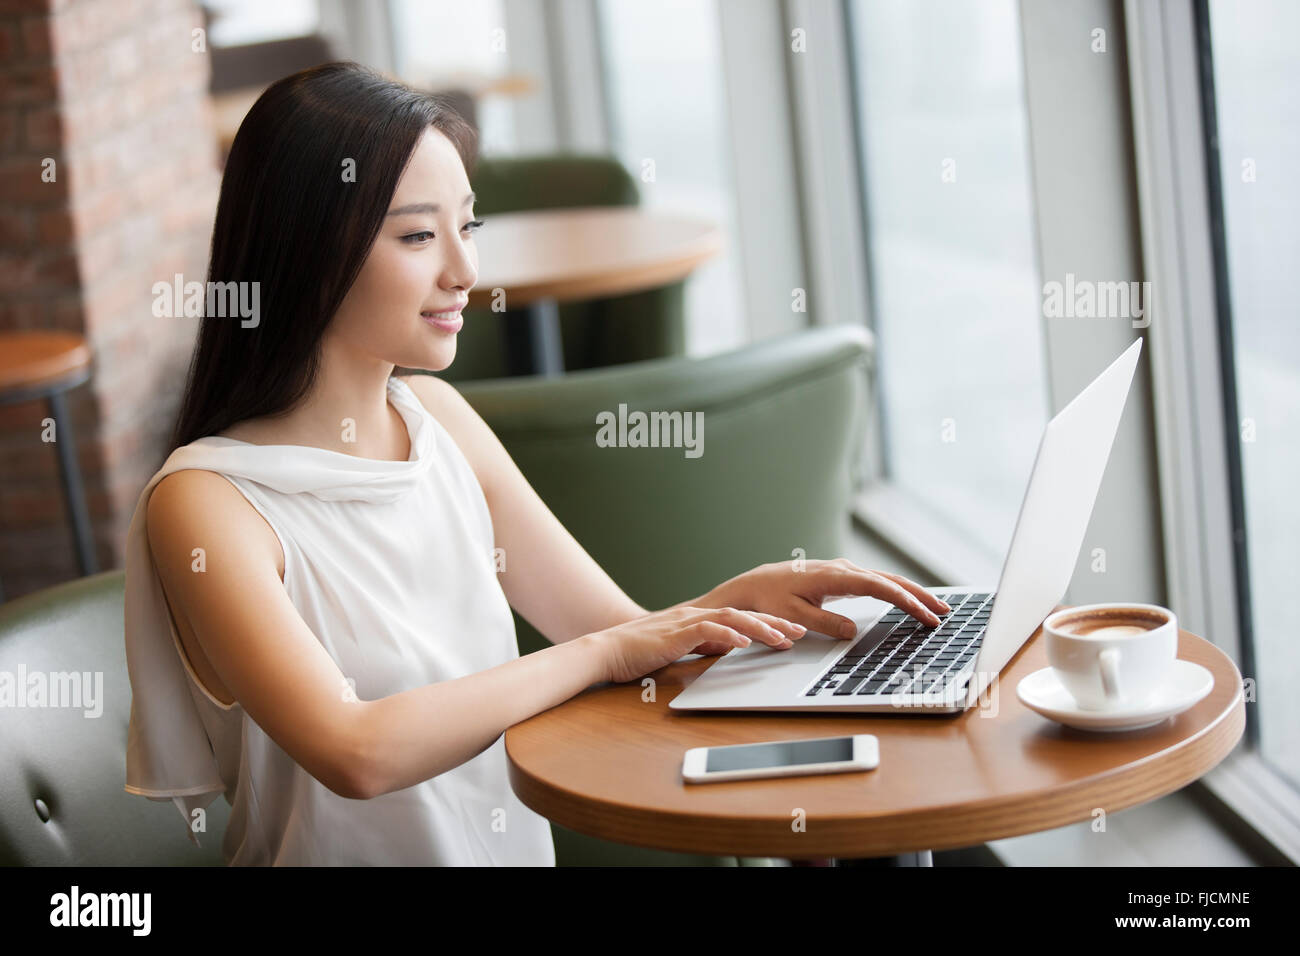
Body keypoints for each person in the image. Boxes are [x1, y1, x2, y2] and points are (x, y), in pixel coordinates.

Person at [122, 61, 950, 866]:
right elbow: (356, 751)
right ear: (306, 251)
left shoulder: (438, 418)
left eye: (467, 226)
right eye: (417, 235)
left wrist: (735, 606)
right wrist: (605, 655)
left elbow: (619, 633)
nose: (464, 271)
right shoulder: (207, 503)